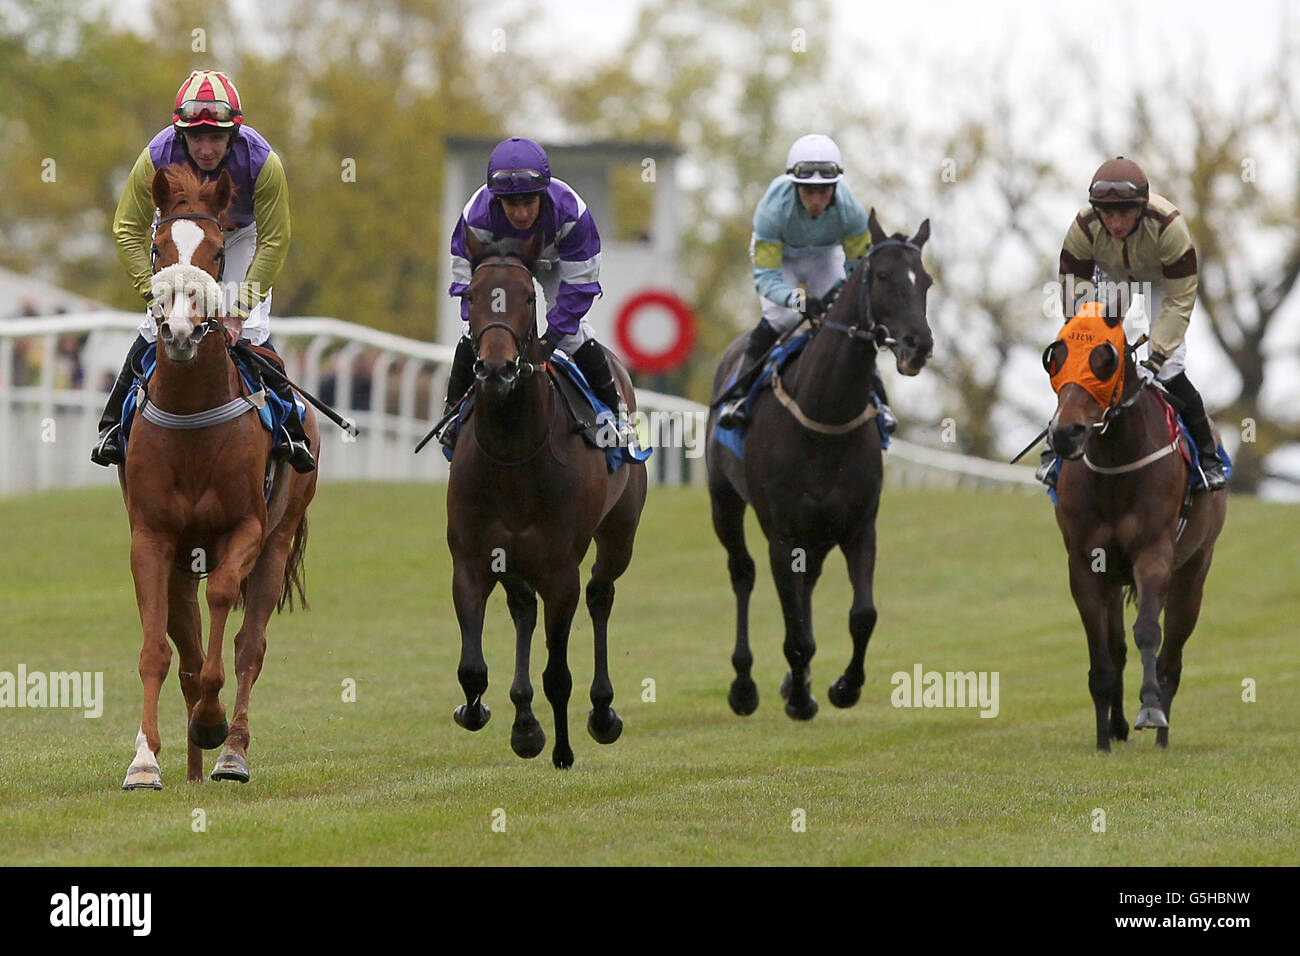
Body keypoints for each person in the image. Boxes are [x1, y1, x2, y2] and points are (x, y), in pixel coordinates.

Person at [92, 69, 313, 472]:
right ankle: (111, 426)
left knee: (250, 331)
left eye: (216, 137)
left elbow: (276, 240)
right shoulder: (156, 155)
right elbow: (126, 229)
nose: (207, 148)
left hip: (240, 236)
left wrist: (239, 308)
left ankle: (290, 428)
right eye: (197, 137)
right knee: (153, 327)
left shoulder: (264, 163)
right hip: (181, 235)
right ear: (181, 135)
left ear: (233, 134)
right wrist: (151, 292)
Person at [1040, 156, 1225, 491]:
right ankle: (1054, 450)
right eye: (1107, 213)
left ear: (1141, 207)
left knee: (1170, 368)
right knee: (1085, 362)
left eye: (1124, 212)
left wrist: (1155, 358)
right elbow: (1072, 290)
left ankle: (1208, 460)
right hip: (1111, 276)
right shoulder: (1083, 226)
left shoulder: (1169, 227)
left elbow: (1179, 301)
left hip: (1159, 281)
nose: (1115, 223)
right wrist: (1085, 339)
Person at [441, 136, 633, 446]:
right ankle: (452, 412)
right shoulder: (476, 215)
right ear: (496, 200)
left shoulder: (571, 211)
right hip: (503, 265)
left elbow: (580, 285)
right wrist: (477, 318)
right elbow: (465, 278)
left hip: (559, 262)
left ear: (543, 194)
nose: (520, 214)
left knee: (572, 334)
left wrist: (550, 339)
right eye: (510, 204)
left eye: (528, 202)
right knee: (471, 331)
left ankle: (618, 413)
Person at [716, 133, 894, 430]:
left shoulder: (852, 213)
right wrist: (800, 301)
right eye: (808, 191)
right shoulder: (771, 210)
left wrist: (838, 294)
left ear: (835, 188)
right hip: (780, 258)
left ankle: (881, 402)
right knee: (781, 318)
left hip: (825, 256)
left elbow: (857, 272)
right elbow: (767, 279)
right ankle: (737, 395)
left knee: (851, 320)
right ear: (794, 185)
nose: (816, 200)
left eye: (824, 191)